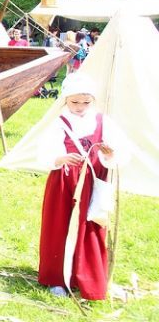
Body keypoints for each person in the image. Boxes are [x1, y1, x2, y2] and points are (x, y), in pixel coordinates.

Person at [36, 74, 131, 300]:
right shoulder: (60, 123)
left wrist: (110, 154)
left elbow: (121, 151)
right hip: (65, 183)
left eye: (86, 102)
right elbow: (44, 152)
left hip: (92, 183)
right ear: (66, 100)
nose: (80, 107)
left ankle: (86, 277)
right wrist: (60, 158)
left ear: (93, 100)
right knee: (59, 226)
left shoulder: (103, 122)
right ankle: (58, 278)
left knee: (90, 227)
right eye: (74, 102)